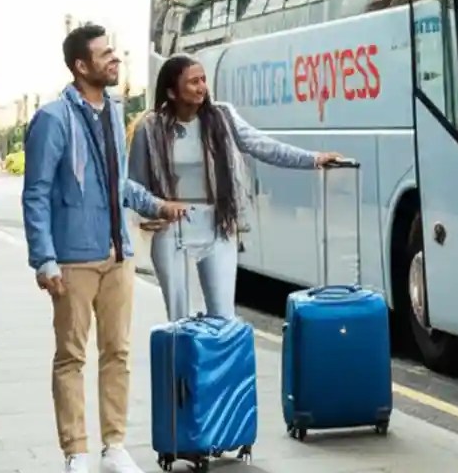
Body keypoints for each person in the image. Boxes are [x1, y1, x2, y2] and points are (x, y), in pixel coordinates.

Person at [22, 23, 187, 473]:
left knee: (117, 353)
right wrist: (44, 258)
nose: (115, 59)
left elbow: (118, 182)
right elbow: (35, 192)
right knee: (71, 357)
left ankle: (114, 448)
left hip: (118, 256)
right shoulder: (53, 119)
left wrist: (157, 203)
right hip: (73, 260)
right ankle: (75, 452)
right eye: (105, 54)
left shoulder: (113, 112)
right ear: (81, 66)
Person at [128, 53, 343, 321]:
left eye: (203, 80)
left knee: (224, 318)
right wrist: (156, 210)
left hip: (218, 223)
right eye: (193, 82)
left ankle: (218, 364)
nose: (202, 87)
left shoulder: (222, 117)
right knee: (179, 322)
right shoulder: (149, 128)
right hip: (173, 227)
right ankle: (179, 364)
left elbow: (263, 146)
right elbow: (133, 186)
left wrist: (313, 159)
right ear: (172, 92)